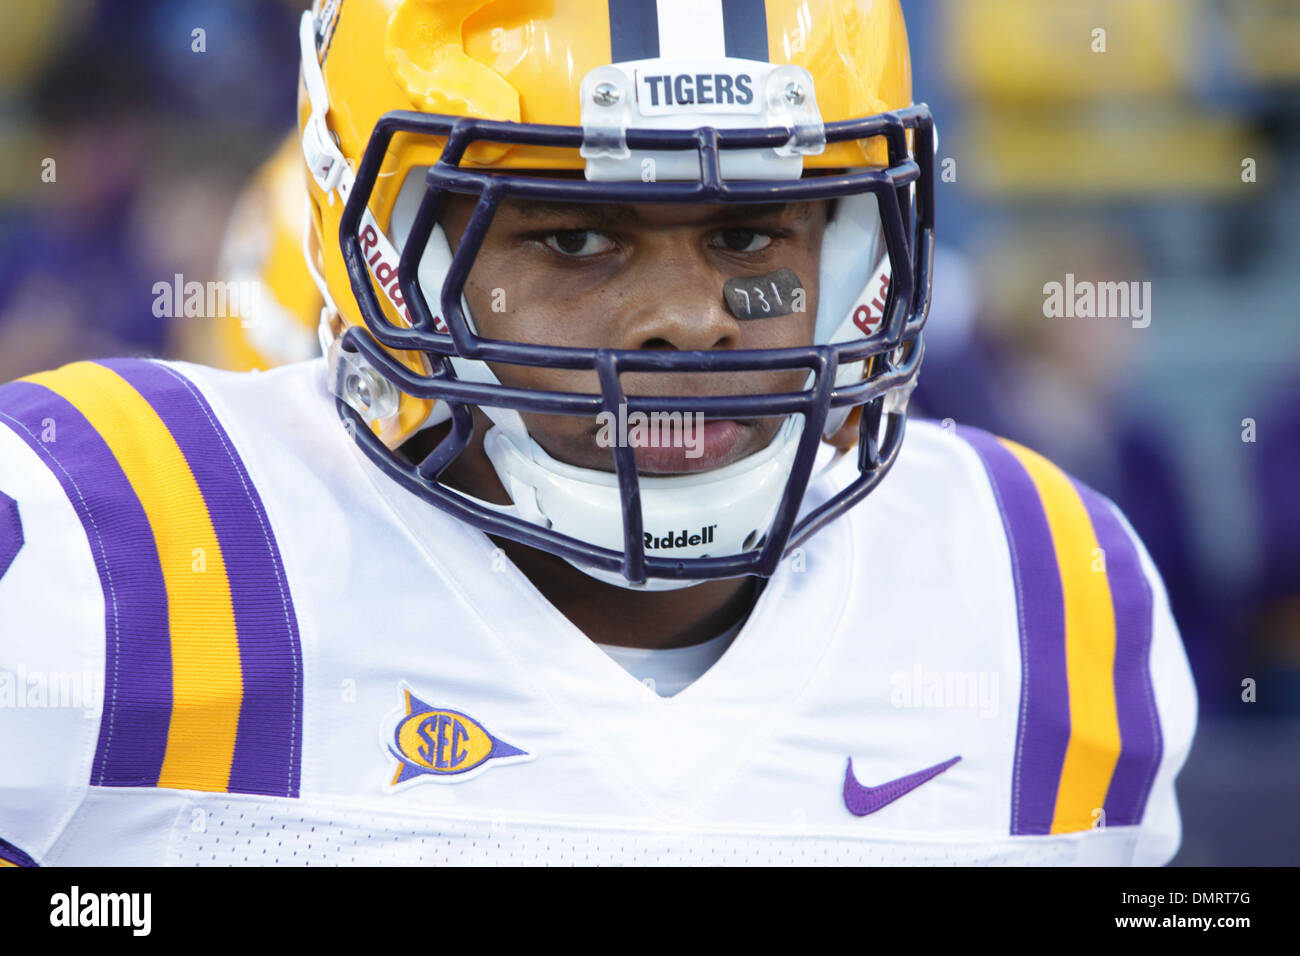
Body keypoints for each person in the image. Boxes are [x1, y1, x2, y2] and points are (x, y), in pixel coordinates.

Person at [0, 0, 1195, 866]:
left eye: (750, 233)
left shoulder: (1045, 598)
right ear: (387, 251)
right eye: (575, 237)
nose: (688, 319)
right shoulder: (113, 547)